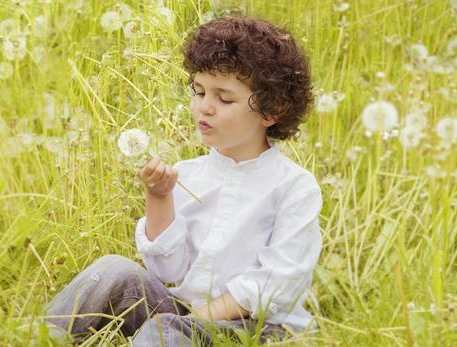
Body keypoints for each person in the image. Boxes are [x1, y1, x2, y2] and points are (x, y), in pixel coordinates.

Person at [45, 15, 322, 346]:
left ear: (270, 111)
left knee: (164, 331)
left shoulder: (294, 188)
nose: (204, 107)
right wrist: (159, 197)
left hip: (257, 329)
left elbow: (274, 284)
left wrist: (184, 321)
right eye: (199, 90)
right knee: (113, 270)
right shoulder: (189, 174)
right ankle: (36, 338)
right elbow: (168, 273)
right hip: (185, 317)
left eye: (224, 98)